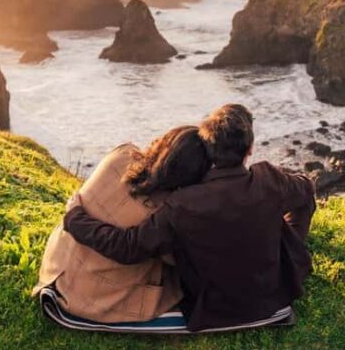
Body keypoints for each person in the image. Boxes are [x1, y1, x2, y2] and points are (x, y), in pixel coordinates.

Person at [63, 104, 315, 332]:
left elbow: (129, 247)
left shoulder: (182, 205)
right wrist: (292, 244)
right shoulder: (269, 180)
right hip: (276, 295)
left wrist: (75, 217)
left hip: (216, 311)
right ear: (250, 149)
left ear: (208, 148)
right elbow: (306, 192)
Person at [33, 126, 211, 323]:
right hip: (94, 297)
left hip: (59, 269)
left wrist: (73, 215)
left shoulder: (121, 155)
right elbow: (178, 261)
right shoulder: (164, 214)